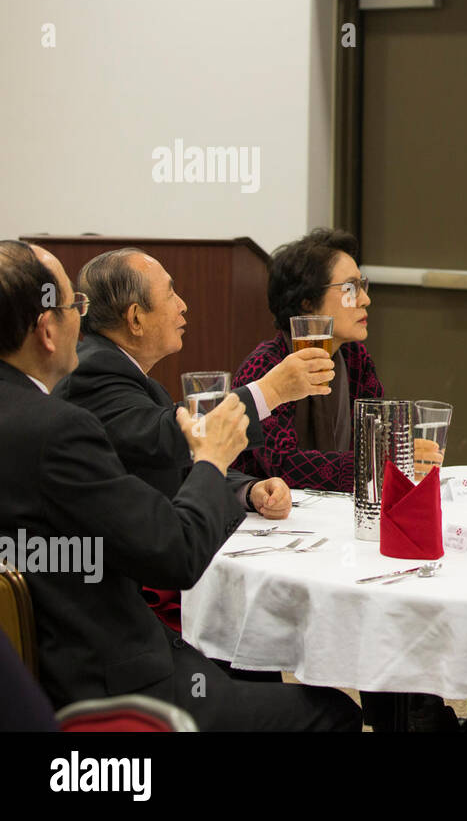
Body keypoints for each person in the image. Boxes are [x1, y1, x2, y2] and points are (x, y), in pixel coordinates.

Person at [0, 240, 359, 730]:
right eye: (72, 306)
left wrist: (239, 486)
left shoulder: (34, 414)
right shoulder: (58, 424)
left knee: (248, 665)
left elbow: (154, 461)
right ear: (46, 330)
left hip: (38, 669)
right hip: (106, 683)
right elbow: (177, 551)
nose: (80, 321)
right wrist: (217, 455)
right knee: (331, 713)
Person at [52, 247, 332, 638]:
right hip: (127, 606)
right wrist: (271, 389)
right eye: (170, 294)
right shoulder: (94, 371)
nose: (184, 306)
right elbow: (168, 436)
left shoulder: (135, 377)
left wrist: (248, 491)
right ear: (135, 318)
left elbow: (179, 465)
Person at [230, 228, 440, 492]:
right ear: (307, 302)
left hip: (333, 510)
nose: (365, 299)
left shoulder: (355, 359)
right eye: (351, 288)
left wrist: (398, 456)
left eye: (362, 286)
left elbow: (377, 439)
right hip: (267, 521)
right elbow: (283, 466)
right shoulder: (265, 367)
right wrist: (384, 463)